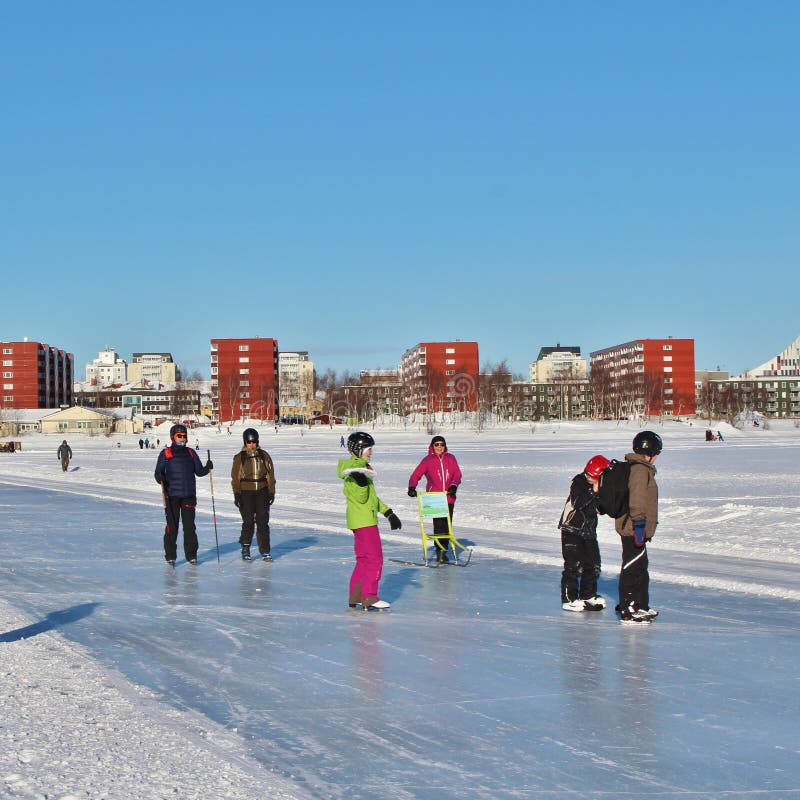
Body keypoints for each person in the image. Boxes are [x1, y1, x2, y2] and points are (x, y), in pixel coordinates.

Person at [337, 431, 401, 610]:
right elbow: (361, 497)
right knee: (375, 559)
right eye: (368, 449)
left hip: (361, 520)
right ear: (358, 449)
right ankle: (369, 596)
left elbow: (373, 498)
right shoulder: (354, 471)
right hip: (364, 521)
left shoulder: (362, 468)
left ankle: (356, 596)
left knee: (364, 559)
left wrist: (388, 513)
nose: (371, 452)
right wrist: (361, 482)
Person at [616, 430, 662, 624]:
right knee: (632, 568)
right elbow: (636, 499)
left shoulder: (641, 468)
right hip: (633, 527)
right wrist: (640, 523)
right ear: (650, 452)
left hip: (636, 527)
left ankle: (640, 605)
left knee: (640, 567)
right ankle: (629, 608)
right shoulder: (640, 470)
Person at [154, 424, 213, 565]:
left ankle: (191, 555)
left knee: (189, 527)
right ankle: (170, 556)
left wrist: (207, 467)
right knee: (172, 527)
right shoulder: (166, 453)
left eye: (184, 436)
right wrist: (160, 477)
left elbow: (199, 472)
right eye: (179, 436)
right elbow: (157, 473)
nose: (182, 438)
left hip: (188, 495)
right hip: (171, 496)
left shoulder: (191, 453)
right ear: (172, 437)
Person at [559, 455, 609, 611]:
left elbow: (601, 509)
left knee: (593, 564)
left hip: (588, 531)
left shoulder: (601, 486)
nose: (590, 478)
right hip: (571, 528)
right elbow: (578, 503)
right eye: (589, 475)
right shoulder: (578, 482)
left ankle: (588, 595)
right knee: (573, 565)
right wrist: (593, 491)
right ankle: (569, 599)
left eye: (593, 478)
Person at [407, 435, 462, 562]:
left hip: (448, 497)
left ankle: (444, 550)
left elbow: (457, 474)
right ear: (432, 446)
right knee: (439, 526)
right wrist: (411, 487)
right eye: (436, 444)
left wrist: (454, 485)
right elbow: (416, 475)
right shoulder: (427, 460)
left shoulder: (451, 458)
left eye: (442, 444)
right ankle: (440, 552)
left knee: (447, 526)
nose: (439, 447)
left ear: (445, 446)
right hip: (434, 498)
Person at [231, 428, 276, 561]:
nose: (252, 445)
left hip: (262, 490)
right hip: (246, 492)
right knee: (248, 521)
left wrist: (271, 492)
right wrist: (237, 494)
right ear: (245, 443)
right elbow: (235, 477)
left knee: (263, 521)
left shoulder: (264, 455)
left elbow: (270, 475)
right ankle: (245, 547)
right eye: (249, 442)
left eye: (254, 442)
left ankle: (265, 550)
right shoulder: (240, 457)